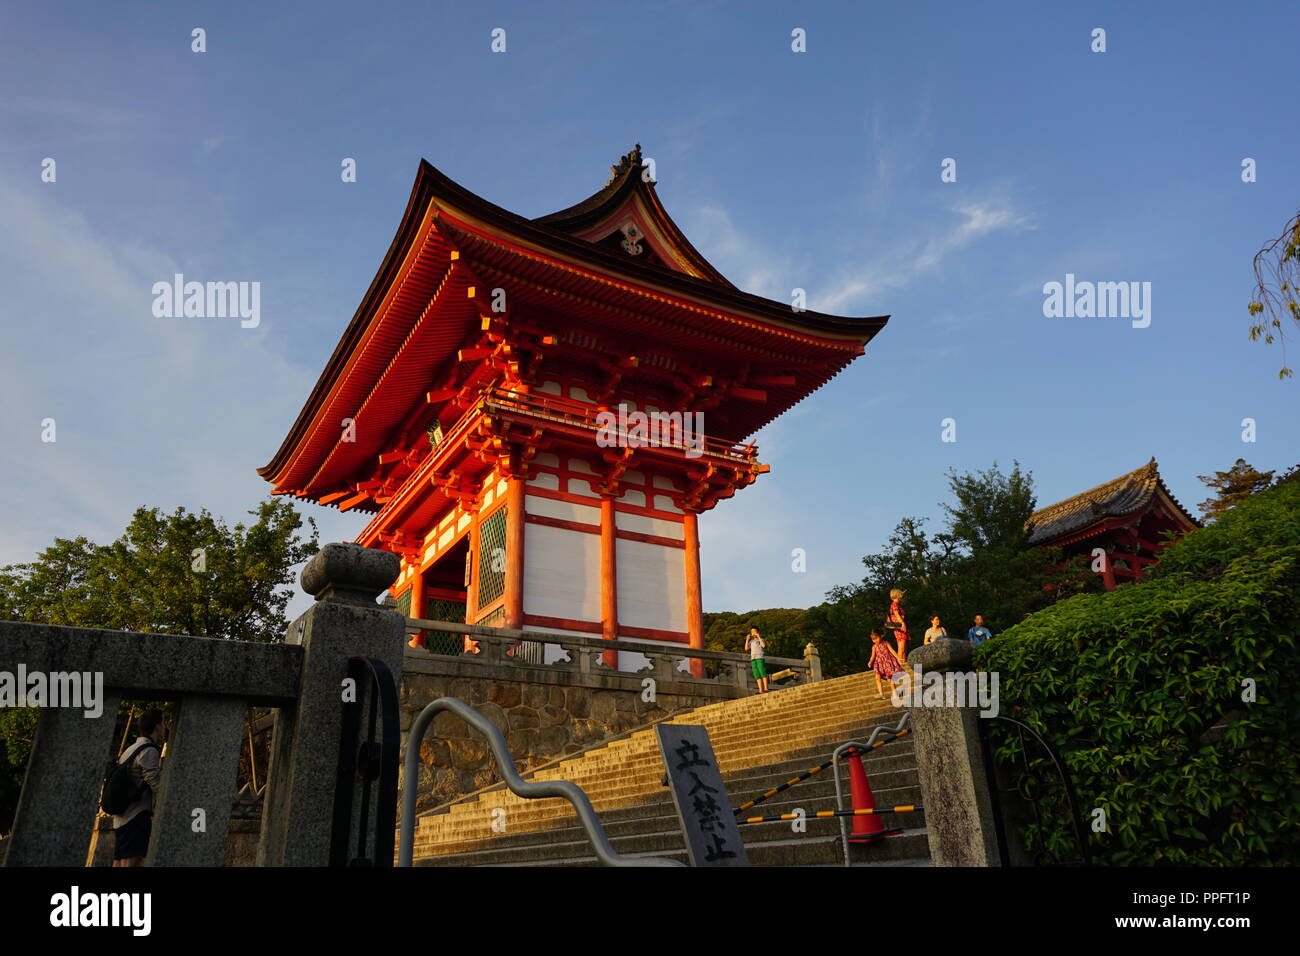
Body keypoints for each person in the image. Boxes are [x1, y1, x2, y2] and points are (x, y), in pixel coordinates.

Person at [111, 709, 166, 868]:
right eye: (163, 722)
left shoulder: (130, 749)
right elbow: (154, 780)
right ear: (157, 726)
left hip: (121, 816)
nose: (164, 727)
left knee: (119, 861)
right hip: (136, 814)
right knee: (131, 862)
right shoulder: (148, 750)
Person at [867, 629, 904, 699]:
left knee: (890, 678)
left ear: (881, 636)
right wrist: (870, 662)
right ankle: (881, 694)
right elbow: (873, 656)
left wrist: (898, 658)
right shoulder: (874, 647)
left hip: (887, 663)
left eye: (876, 638)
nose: (875, 641)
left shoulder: (886, 643)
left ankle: (894, 692)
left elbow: (892, 651)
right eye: (873, 639)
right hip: (879, 664)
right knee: (877, 678)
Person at [886, 588, 909, 663]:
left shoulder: (897, 605)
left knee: (904, 648)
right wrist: (902, 623)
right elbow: (896, 614)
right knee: (901, 647)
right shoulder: (894, 604)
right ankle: (900, 664)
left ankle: (904, 663)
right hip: (899, 627)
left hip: (900, 627)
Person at [744, 626, 769, 694]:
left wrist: (759, 637)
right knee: (757, 674)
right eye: (752, 632)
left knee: (762, 672)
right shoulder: (751, 641)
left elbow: (763, 646)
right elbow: (746, 649)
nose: (753, 633)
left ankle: (766, 688)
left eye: (754, 632)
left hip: (760, 657)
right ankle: (760, 690)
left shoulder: (761, 639)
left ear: (758, 632)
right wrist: (747, 639)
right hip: (753, 658)